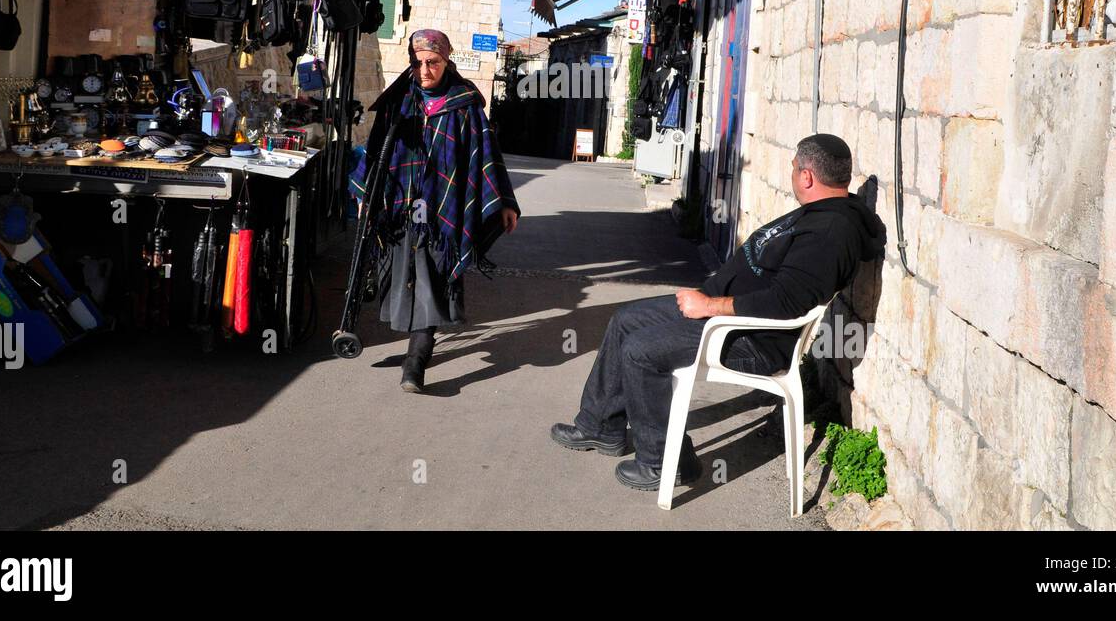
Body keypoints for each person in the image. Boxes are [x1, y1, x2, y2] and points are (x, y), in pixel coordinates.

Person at [550, 133, 886, 491]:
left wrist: (709, 305)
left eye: (793, 169)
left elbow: (785, 303)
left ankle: (666, 462)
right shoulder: (822, 215)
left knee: (640, 351)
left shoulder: (832, 231)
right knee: (625, 321)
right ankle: (599, 425)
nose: (791, 176)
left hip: (751, 339)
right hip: (724, 316)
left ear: (807, 177)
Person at [352, 29, 519, 392]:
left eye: (433, 62)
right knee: (404, 273)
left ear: (446, 61)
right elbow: (377, 145)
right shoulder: (399, 99)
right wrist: (366, 189)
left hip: (443, 212)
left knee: (431, 277)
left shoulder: (464, 103)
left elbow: (487, 155)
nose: (425, 69)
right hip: (401, 205)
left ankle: (417, 361)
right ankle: (414, 346)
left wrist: (504, 201)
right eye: (418, 62)